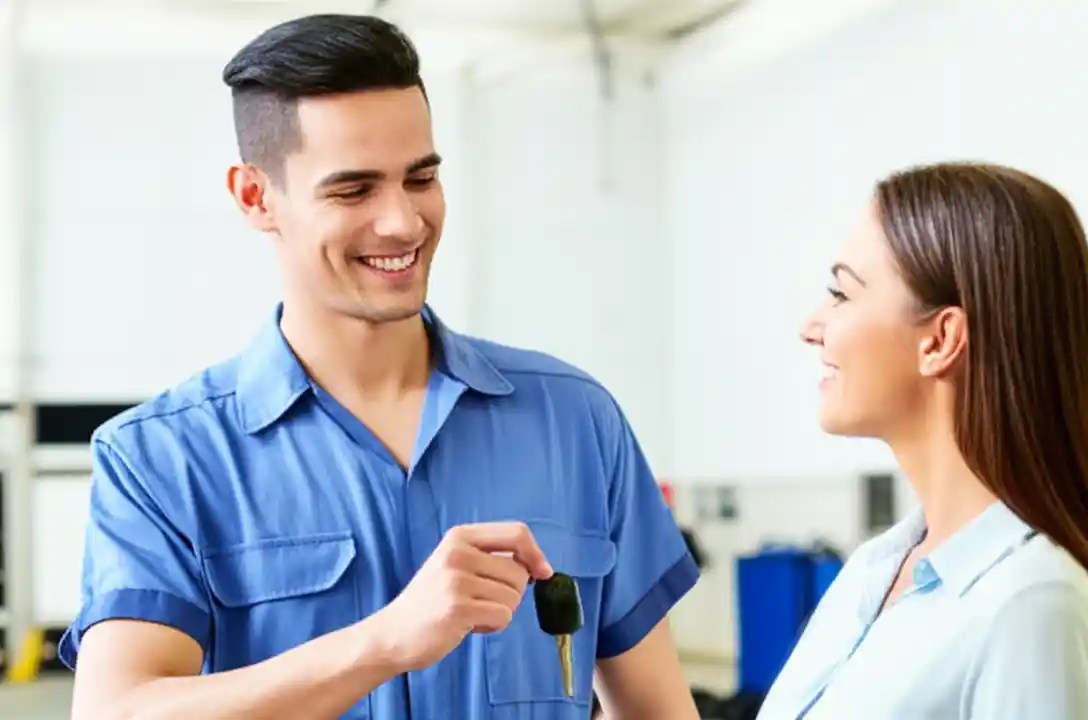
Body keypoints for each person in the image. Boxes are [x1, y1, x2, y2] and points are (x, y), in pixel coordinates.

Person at [58, 13, 700, 720]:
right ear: (255, 197)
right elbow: (116, 711)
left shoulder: (574, 420)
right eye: (353, 190)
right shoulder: (163, 459)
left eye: (420, 178)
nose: (402, 222)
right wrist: (386, 641)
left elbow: (659, 711)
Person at [757, 162, 1088, 719]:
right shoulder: (873, 572)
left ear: (941, 339)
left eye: (841, 294)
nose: (812, 326)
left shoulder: (1034, 607)